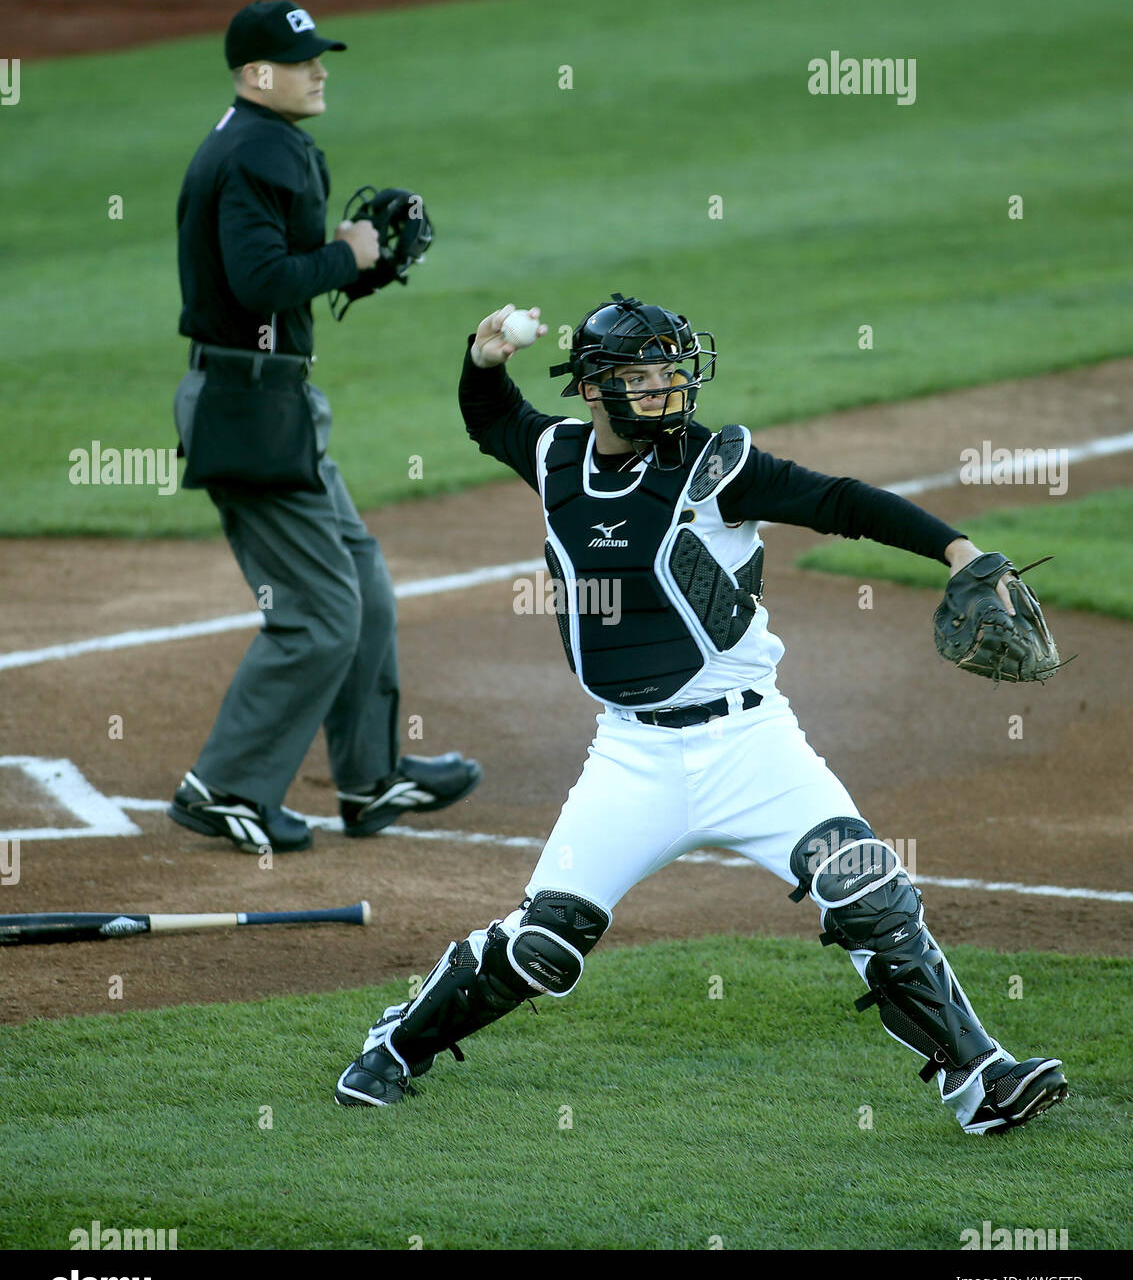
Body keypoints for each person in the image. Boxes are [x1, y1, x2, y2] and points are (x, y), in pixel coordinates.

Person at [335, 294, 1068, 1135]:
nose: (666, 389)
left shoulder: (718, 467)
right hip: (630, 759)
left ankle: (982, 1080)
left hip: (752, 742)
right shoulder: (554, 455)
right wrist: (483, 354)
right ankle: (397, 1046)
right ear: (593, 389)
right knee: (545, 945)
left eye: (673, 372)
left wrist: (959, 551)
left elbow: (841, 501)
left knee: (869, 894)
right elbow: (487, 416)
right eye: (641, 378)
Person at [169, 0, 480, 854]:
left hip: (274, 401)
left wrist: (363, 269)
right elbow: (262, 279)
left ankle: (371, 779)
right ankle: (224, 787)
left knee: (362, 582)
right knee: (318, 614)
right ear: (256, 72)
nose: (320, 69)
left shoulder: (263, 140)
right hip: (247, 408)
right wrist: (351, 254)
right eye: (303, 60)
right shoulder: (256, 150)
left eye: (319, 56)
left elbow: (271, 288)